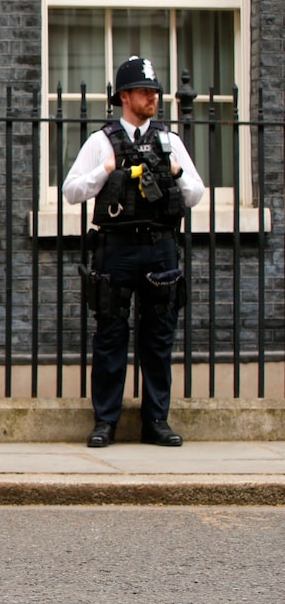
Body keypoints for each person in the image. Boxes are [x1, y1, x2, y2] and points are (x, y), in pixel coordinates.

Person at [62, 56, 205, 448]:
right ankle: (105, 422)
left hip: (160, 248)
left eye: (155, 92)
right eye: (145, 92)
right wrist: (104, 171)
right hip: (116, 250)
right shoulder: (102, 141)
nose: (152, 98)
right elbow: (71, 190)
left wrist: (175, 171)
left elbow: (196, 193)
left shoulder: (169, 141)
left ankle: (156, 420)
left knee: (158, 337)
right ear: (124, 97)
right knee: (110, 336)